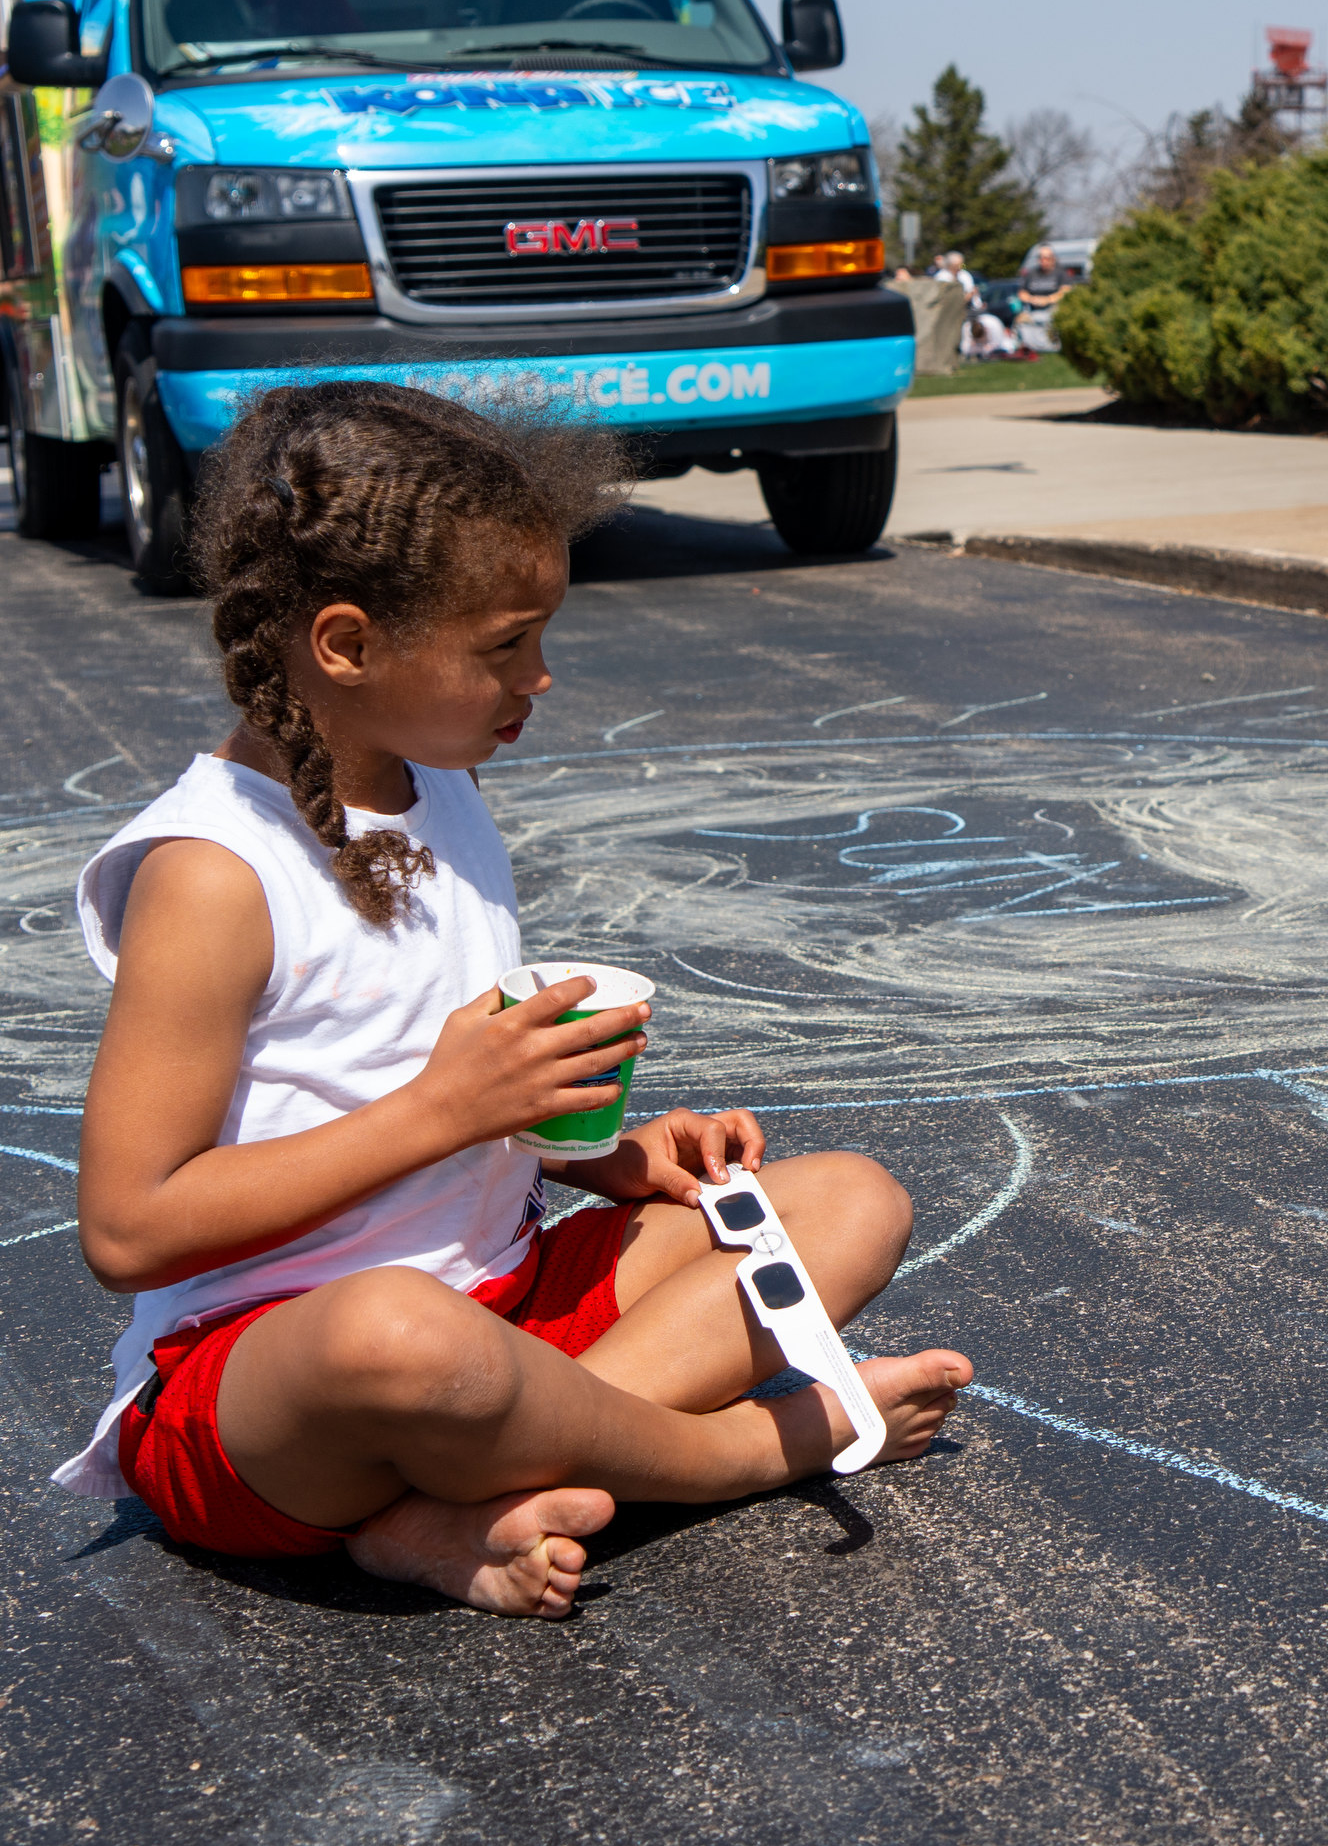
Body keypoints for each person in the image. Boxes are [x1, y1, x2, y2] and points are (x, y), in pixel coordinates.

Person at [51, 381, 971, 1618]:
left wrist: (605, 1154)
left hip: (501, 1299)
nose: (537, 676)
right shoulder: (213, 874)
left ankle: (444, 1514)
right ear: (345, 643)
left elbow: (441, 1107)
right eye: (503, 645)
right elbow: (127, 1229)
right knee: (397, 1335)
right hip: (270, 1382)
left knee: (849, 1200)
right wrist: (445, 1107)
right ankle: (737, 1453)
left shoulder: (438, 787)